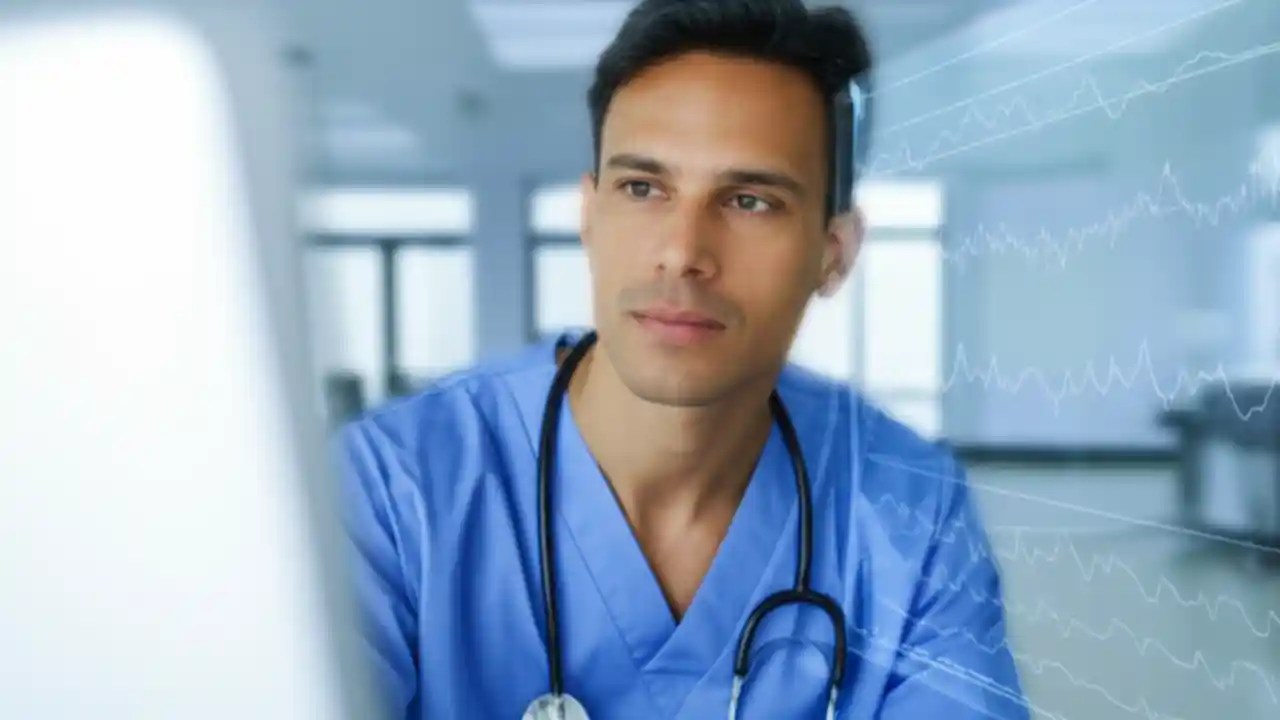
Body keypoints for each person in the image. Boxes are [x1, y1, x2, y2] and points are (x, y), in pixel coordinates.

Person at [335, 1, 1029, 717]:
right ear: (589, 213)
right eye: (643, 188)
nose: (684, 252)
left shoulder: (906, 507)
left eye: (750, 201)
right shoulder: (390, 490)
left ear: (833, 254)